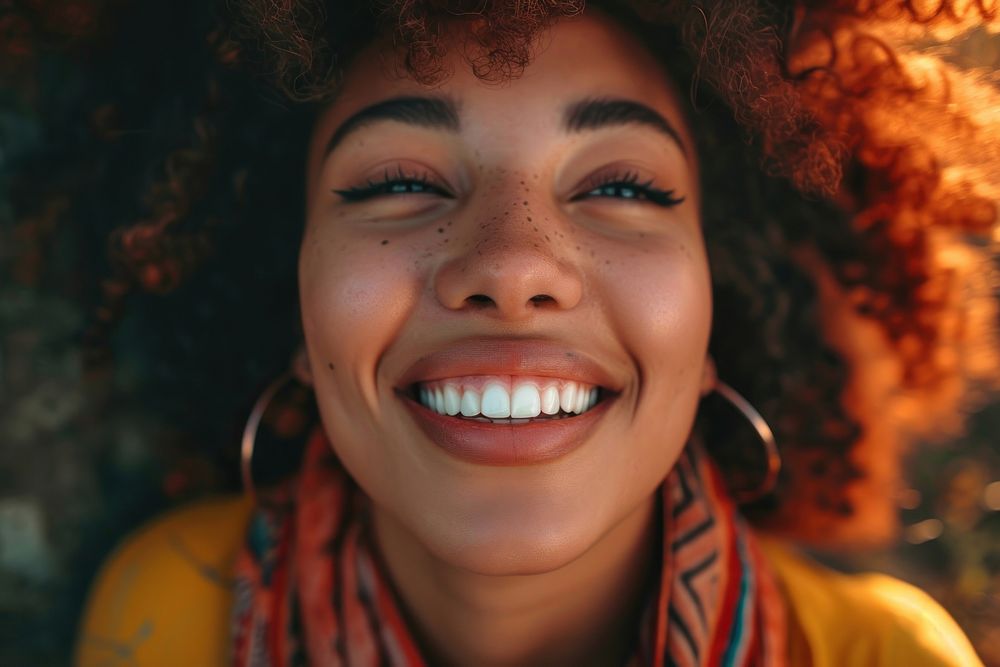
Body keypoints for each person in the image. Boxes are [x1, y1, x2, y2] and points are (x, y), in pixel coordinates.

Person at [57, 0, 998, 665]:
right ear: (292, 301)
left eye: (622, 186)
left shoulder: (889, 657)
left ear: (720, 318)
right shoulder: (173, 611)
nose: (512, 266)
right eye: (399, 181)